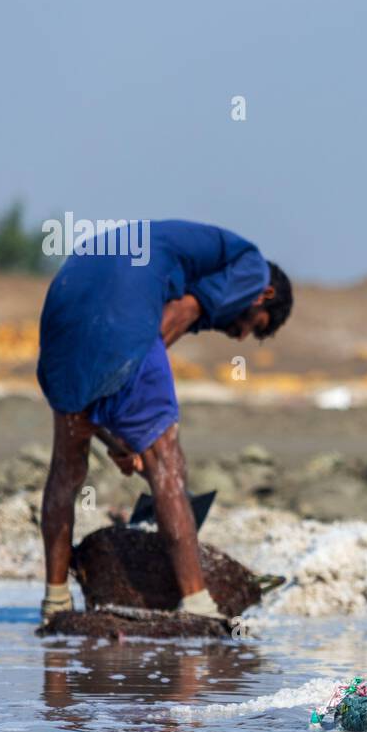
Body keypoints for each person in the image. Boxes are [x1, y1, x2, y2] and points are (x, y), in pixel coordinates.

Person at [36, 219, 292, 627]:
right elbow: (166, 323)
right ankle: (198, 605)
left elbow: (91, 401)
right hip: (122, 308)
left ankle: (54, 602)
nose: (240, 337)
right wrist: (144, 442)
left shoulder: (177, 254)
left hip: (65, 299)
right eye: (253, 324)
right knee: (167, 463)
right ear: (265, 295)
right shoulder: (250, 267)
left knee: (67, 464)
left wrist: (119, 440)